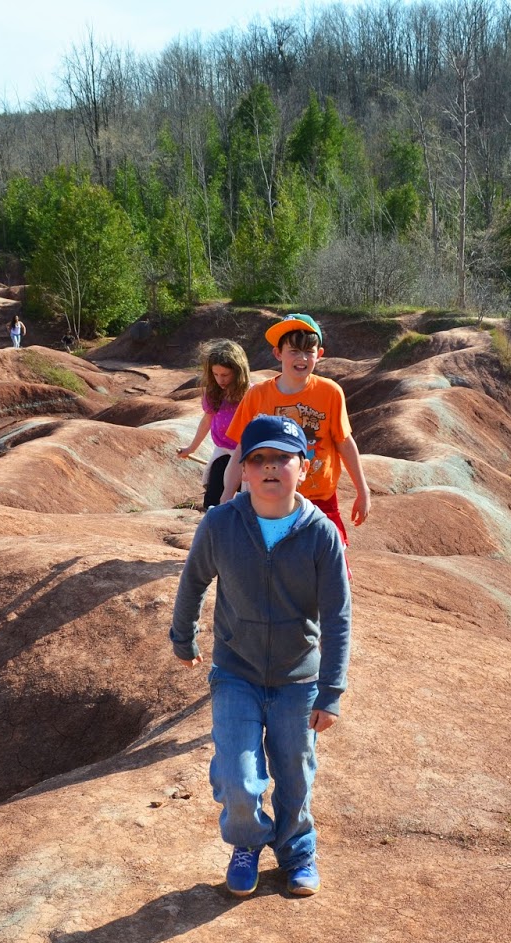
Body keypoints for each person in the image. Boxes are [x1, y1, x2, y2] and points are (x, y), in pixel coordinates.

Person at [170, 414, 351, 898]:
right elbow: (193, 581)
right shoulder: (221, 524)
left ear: (304, 466)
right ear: (243, 470)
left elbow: (337, 615)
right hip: (236, 672)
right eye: (259, 459)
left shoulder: (320, 534)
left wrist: (331, 689)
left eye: (283, 458)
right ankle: (247, 843)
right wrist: (182, 637)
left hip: (298, 680)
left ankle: (297, 852)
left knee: (294, 772)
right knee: (237, 775)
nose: (271, 468)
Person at [222, 313, 370, 545]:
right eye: (293, 351)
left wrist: (363, 491)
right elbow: (242, 448)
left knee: (330, 564)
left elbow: (344, 441)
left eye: (309, 351)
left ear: (319, 355)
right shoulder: (257, 395)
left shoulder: (330, 392)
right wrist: (227, 495)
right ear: (278, 353)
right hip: (268, 499)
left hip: (320, 498)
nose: (301, 358)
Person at [177, 338, 251, 511]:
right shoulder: (213, 394)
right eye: (215, 374)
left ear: (238, 371)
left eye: (225, 375)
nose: (220, 380)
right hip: (222, 451)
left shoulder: (251, 395)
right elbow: (206, 421)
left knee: (246, 500)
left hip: (246, 453)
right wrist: (191, 448)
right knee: (213, 496)